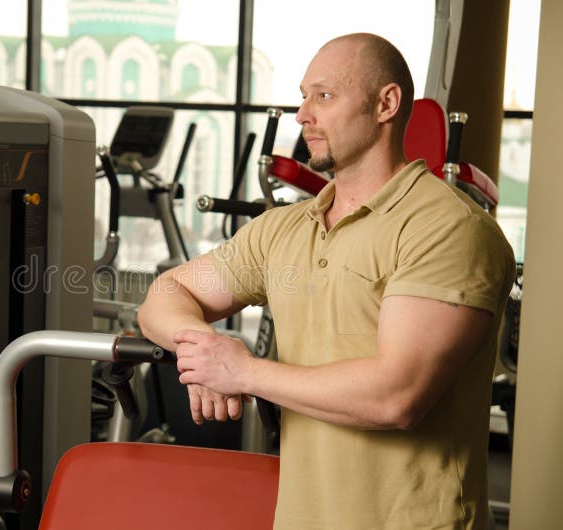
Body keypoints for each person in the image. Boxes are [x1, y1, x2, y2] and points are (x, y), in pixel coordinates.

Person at [137, 32, 516, 529]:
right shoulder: (283, 229)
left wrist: (241, 372)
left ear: (386, 104)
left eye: (325, 95)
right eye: (303, 97)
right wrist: (204, 346)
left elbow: (396, 396)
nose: (302, 115)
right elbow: (166, 293)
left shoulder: (448, 229)